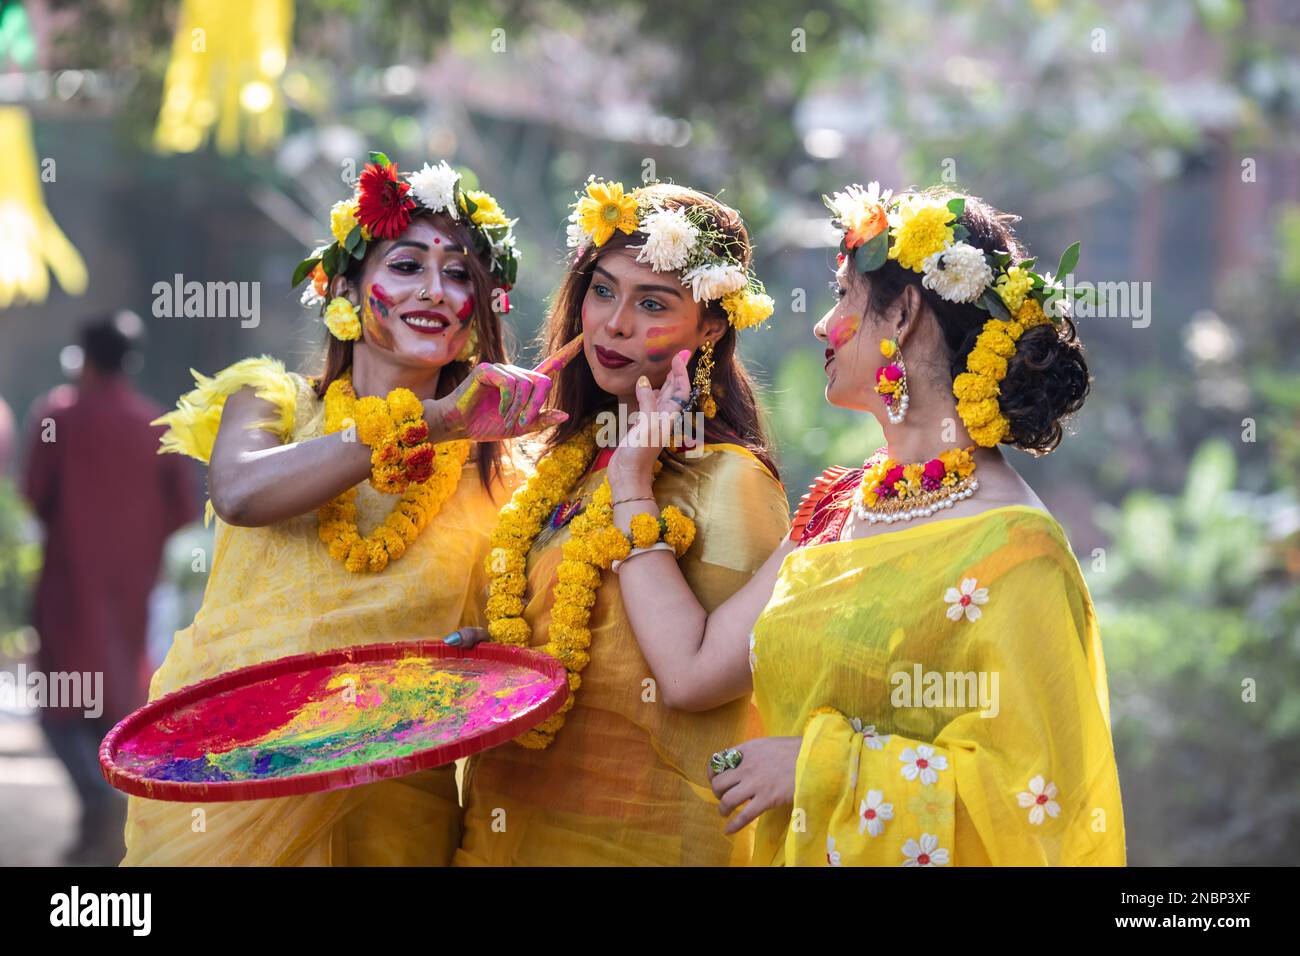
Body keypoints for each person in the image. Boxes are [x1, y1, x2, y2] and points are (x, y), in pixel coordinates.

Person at [586, 183, 1126, 866]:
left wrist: (824, 770)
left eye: (844, 296)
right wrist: (632, 483)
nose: (822, 323)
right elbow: (691, 671)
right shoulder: (841, 503)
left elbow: (1036, 805)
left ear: (901, 311)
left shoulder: (1014, 549)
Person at [121, 153, 559, 866]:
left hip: (392, 790)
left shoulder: (505, 467)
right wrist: (436, 421)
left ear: (481, 309)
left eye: (458, 275)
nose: (436, 291)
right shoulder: (272, 399)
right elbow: (239, 494)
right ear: (348, 289)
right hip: (235, 770)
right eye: (409, 265)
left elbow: (514, 625)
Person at [451, 179, 791, 866]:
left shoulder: (729, 482)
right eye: (602, 291)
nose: (614, 323)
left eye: (653, 304)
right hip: (502, 827)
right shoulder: (562, 464)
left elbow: (708, 685)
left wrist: (635, 480)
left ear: (712, 327)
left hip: (639, 840)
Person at [23, 314, 197, 865]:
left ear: (85, 358)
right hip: (130, 591)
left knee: (58, 707)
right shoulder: (153, 424)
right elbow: (182, 511)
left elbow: (33, 493)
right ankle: (110, 815)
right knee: (114, 701)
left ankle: (101, 808)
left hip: (68, 586)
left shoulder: (59, 415)